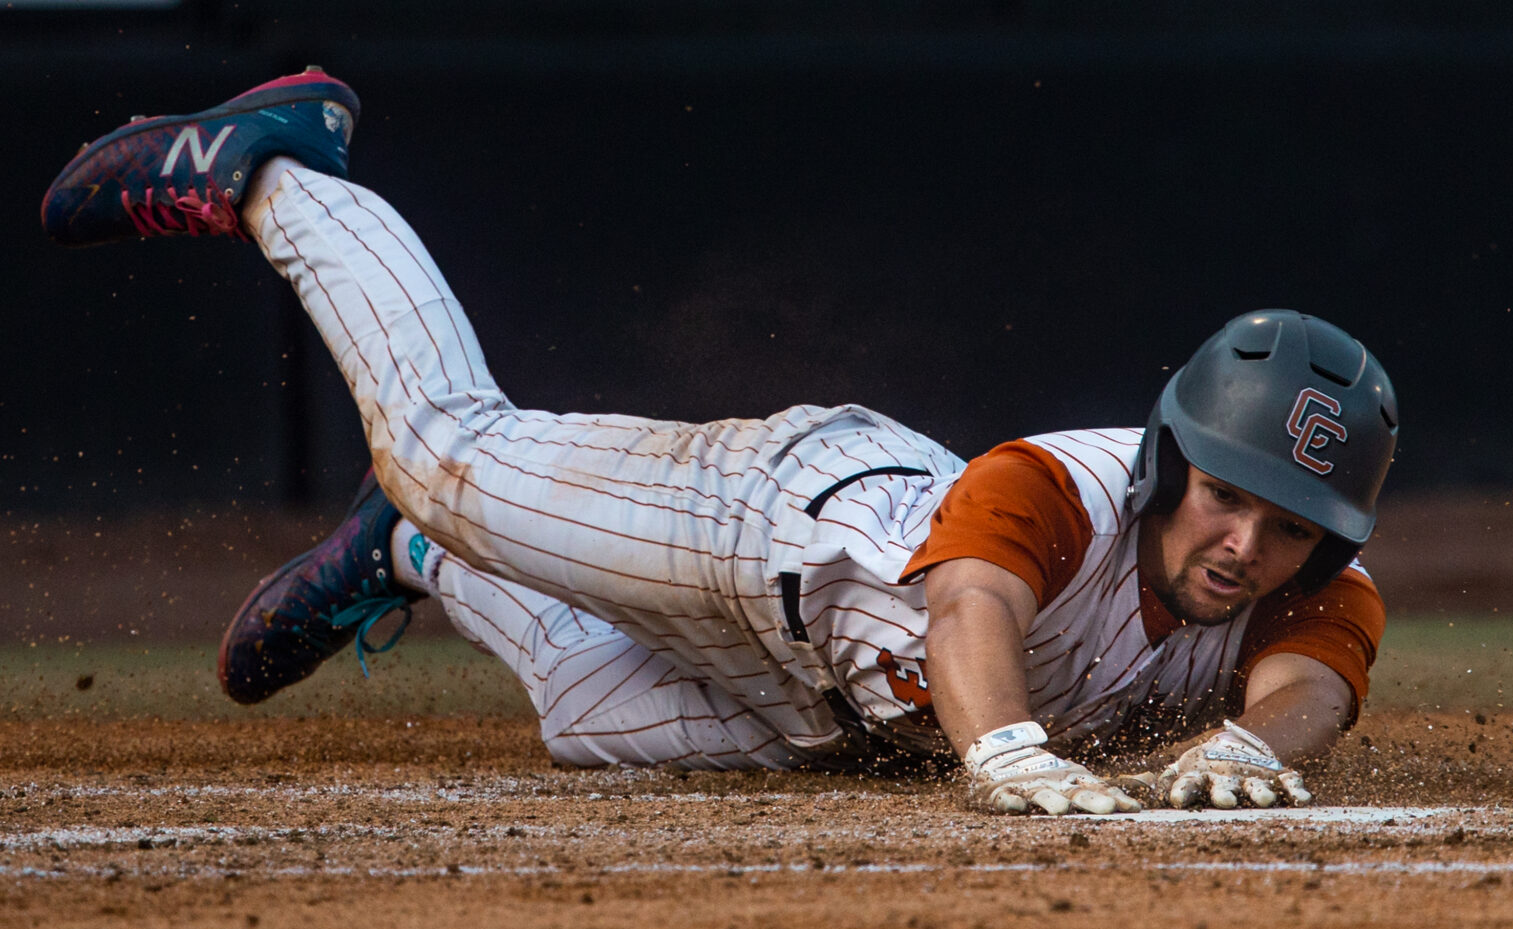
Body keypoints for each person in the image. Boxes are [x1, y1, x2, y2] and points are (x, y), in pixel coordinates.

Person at [42, 69, 1398, 816]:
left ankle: (411, 557)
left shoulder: (1311, 585)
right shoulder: (1060, 485)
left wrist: (1266, 747)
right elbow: (975, 605)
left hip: (827, 713)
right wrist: (1006, 754)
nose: (1246, 544)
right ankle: (282, 171)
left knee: (580, 717)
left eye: (1288, 526)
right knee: (444, 447)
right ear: (1174, 458)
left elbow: (1317, 686)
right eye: (1228, 496)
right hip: (760, 537)